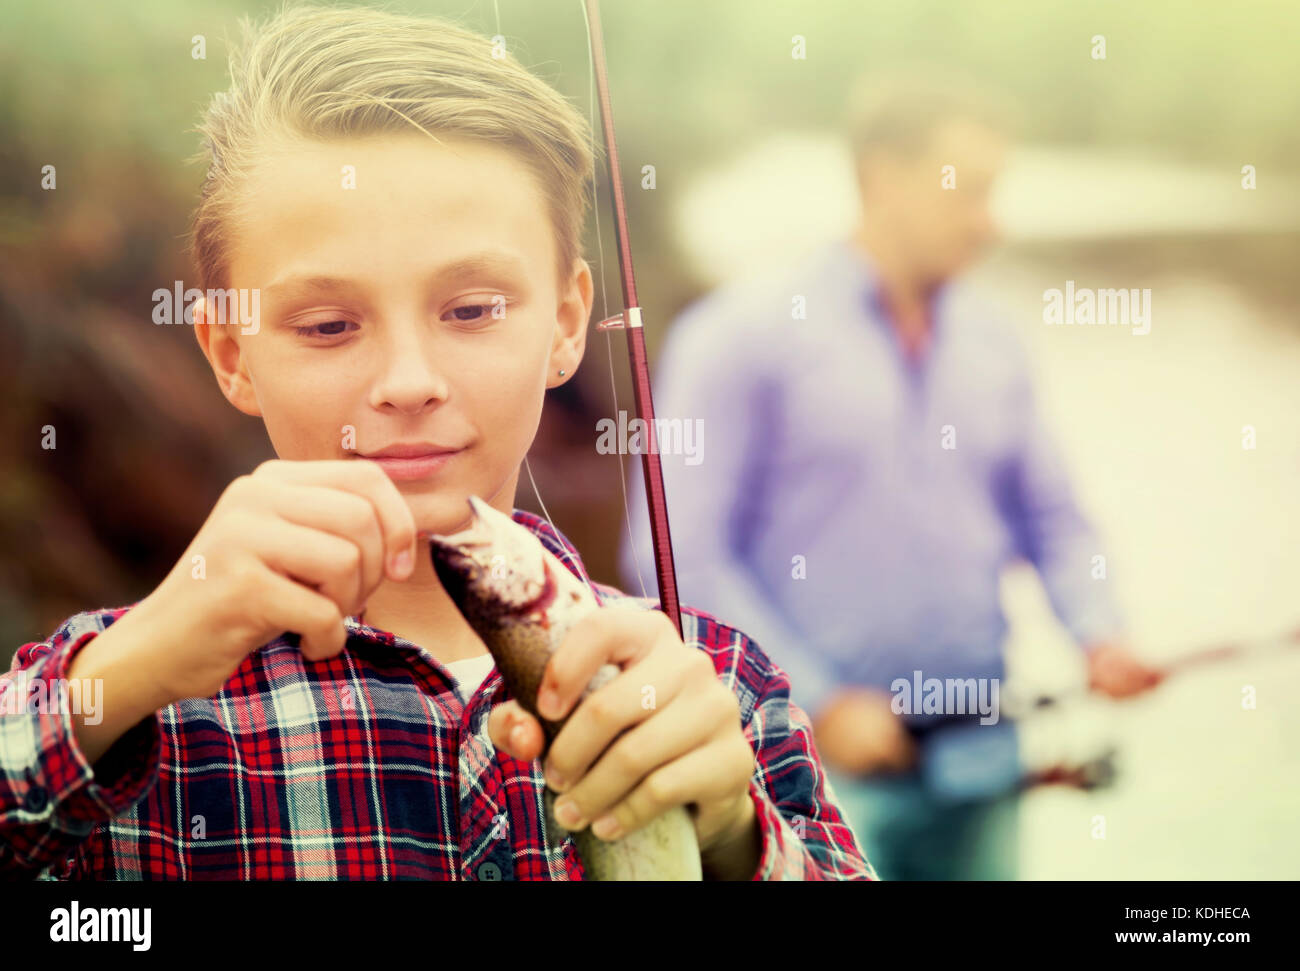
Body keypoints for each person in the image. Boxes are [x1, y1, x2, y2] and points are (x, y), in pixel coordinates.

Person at [0, 5, 875, 881]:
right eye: (328, 324)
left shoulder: (723, 687)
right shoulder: (121, 691)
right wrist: (125, 676)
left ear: (568, 323)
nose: (410, 379)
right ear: (232, 355)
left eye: (472, 309)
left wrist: (731, 836)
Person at [619, 71, 1162, 880]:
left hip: (981, 767)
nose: (990, 221)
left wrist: (1099, 630)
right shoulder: (737, 336)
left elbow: (1053, 518)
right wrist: (817, 700)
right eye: (968, 191)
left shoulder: (995, 341)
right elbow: (676, 554)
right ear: (882, 177)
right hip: (809, 786)